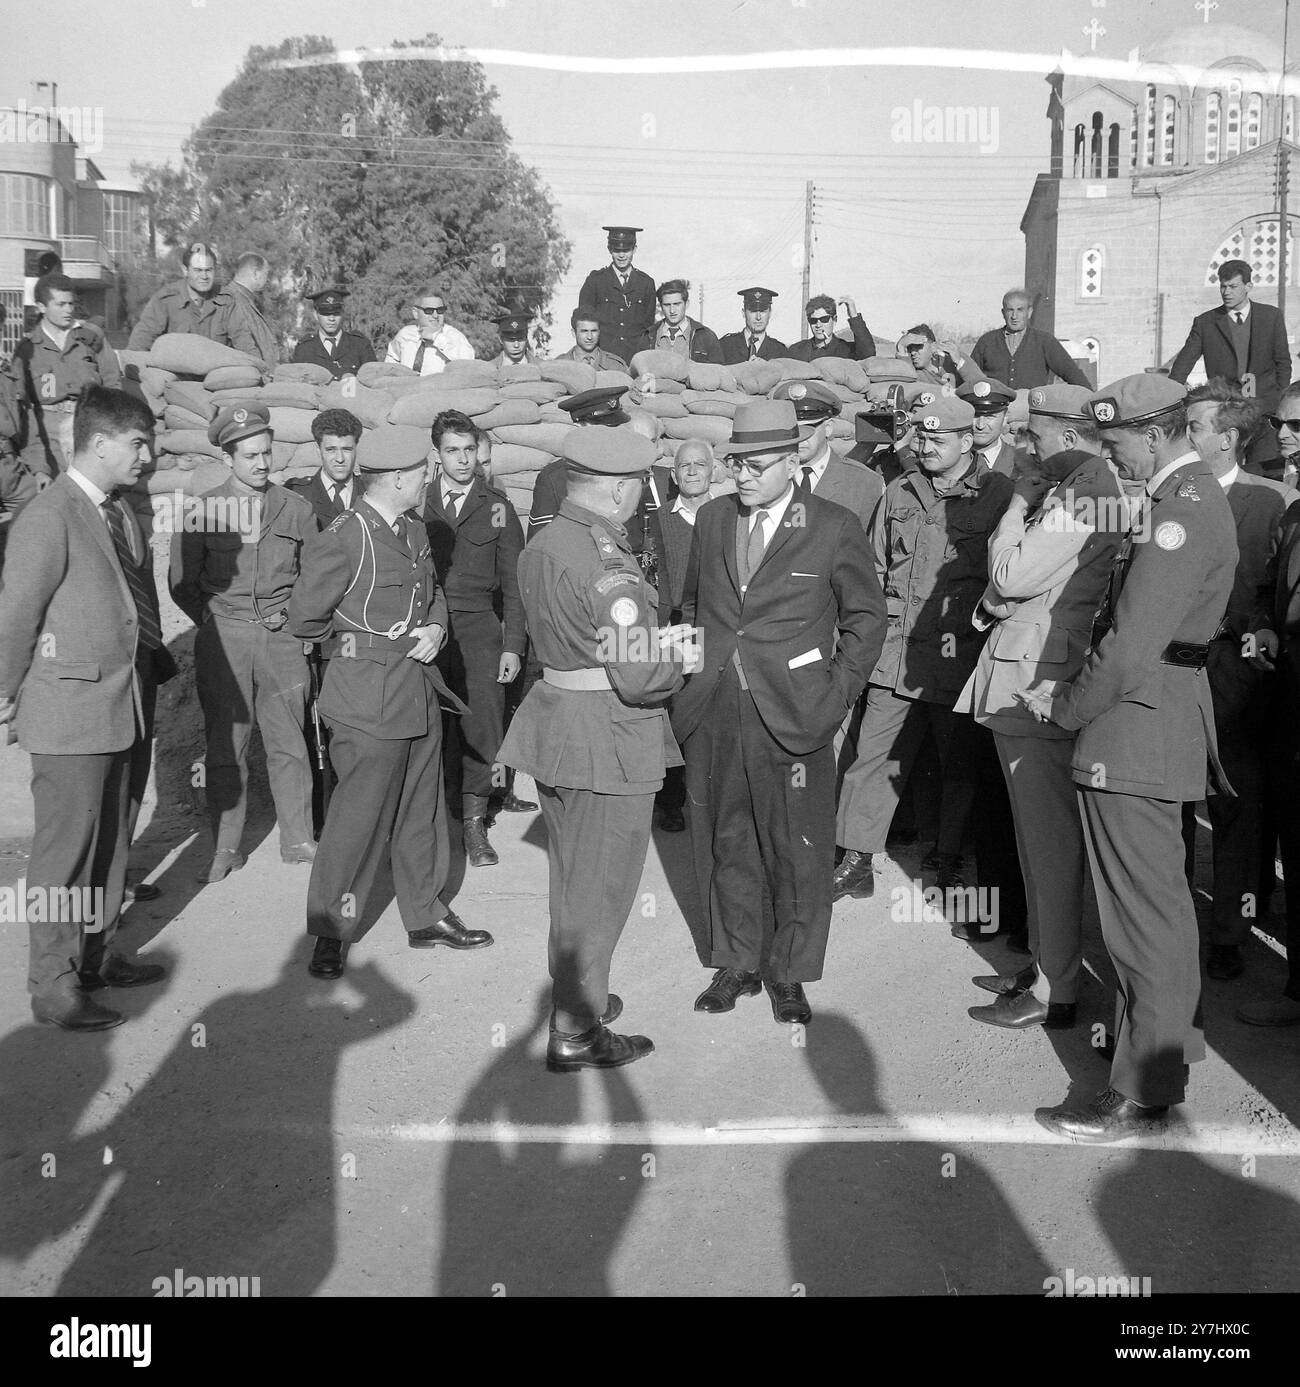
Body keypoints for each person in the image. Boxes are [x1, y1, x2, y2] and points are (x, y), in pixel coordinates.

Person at [1029, 375, 1237, 1143]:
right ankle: (1168, 1055)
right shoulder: (1178, 500)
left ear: (1155, 435)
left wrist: (1066, 705)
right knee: (1163, 908)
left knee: (1139, 917)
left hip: (1134, 729)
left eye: (1114, 441)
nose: (1107, 452)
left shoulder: (1179, 511)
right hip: (1153, 723)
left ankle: (1145, 1090)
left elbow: (1128, 647)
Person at [674, 400, 886, 1025]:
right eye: (737, 463)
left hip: (797, 712)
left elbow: (866, 619)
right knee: (726, 838)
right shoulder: (712, 520)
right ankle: (736, 959)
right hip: (716, 709)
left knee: (797, 848)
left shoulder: (832, 525)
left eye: (757, 466)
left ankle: (789, 973)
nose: (741, 476)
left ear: (792, 461)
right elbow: (691, 607)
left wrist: (835, 692)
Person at [497, 426, 687, 1069]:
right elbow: (636, 673)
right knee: (600, 889)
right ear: (619, 490)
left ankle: (577, 997)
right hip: (606, 734)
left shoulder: (546, 541)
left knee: (572, 881)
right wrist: (679, 661)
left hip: (558, 727)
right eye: (641, 486)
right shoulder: (608, 562)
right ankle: (577, 1029)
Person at [289, 423, 492, 981]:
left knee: (422, 811)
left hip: (418, 691)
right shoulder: (344, 536)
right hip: (366, 702)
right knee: (356, 820)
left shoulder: (414, 531)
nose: (429, 476)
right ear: (399, 478)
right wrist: (361, 645)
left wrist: (434, 627)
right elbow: (305, 616)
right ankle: (330, 929)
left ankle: (425, 913)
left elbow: (435, 595)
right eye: (423, 470)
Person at [956, 384, 1125, 1030]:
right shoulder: (1084, 483)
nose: (1028, 446)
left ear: (1071, 433)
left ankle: (1056, 986)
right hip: (1028, 674)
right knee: (1036, 840)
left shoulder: (1087, 490)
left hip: (1038, 682)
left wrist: (1018, 503)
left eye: (1036, 435)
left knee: (1049, 843)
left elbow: (1011, 577)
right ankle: (1044, 965)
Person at [0, 386, 167, 1031]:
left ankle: (95, 957)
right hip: (69, 712)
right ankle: (52, 984)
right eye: (137, 444)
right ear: (99, 443)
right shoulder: (50, 515)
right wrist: (5, 692)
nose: (147, 457)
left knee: (108, 852)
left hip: (119, 706)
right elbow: (16, 614)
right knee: (63, 856)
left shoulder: (117, 511)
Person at [834, 394, 1014, 900]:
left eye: (938, 439)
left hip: (961, 652)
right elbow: (873, 566)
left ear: (966, 439)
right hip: (897, 651)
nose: (926, 447)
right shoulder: (900, 490)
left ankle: (950, 855)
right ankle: (856, 859)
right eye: (921, 437)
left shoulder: (1000, 494)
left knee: (958, 762)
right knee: (873, 755)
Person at [169, 404, 317, 883]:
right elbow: (182, 583)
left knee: (289, 742)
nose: (261, 464)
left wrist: (293, 621)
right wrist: (215, 622)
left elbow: (312, 578)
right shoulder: (202, 511)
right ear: (228, 458)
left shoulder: (297, 509)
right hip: (225, 640)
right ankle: (226, 847)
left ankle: (297, 839)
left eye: (266, 453)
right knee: (224, 748)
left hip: (282, 637)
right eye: (250, 455)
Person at [1182, 381, 1296, 982]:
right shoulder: (1166, 495)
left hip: (1238, 679)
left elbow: (1274, 594)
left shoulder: (1270, 501)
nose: (1185, 435)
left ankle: (1229, 930)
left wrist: (1238, 627)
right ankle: (1169, 929)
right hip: (1170, 675)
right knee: (1171, 804)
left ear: (1227, 439)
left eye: (1195, 426)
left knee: (1235, 807)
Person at [423, 409, 525, 868]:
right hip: (426, 631)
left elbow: (515, 585)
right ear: (437, 454)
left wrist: (512, 645)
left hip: (480, 629)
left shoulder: (497, 506)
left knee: (481, 725)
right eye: (452, 451)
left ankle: (473, 822)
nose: (462, 460)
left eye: (468, 450)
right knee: (426, 725)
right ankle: (429, 821)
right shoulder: (418, 503)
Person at [1243, 484, 1300, 1026]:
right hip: (1289, 696)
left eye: (1296, 428)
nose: (1284, 438)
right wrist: (1262, 625)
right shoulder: (1294, 512)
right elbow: (1267, 588)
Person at [528, 387, 664, 595]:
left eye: (616, 427)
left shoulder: (631, 470)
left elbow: (645, 534)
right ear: (580, 427)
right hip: (581, 588)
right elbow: (543, 551)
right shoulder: (555, 478)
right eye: (603, 428)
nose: (612, 435)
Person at [1169, 259, 1291, 476]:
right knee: (1221, 470)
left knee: (1259, 472)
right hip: (1224, 412)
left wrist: (1279, 397)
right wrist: (1171, 395)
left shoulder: (1271, 317)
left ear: (1248, 287)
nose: (1226, 292)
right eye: (1223, 286)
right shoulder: (1206, 322)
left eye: (1233, 286)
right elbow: (1184, 363)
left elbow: (1283, 362)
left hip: (1264, 412)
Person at [9, 273, 121, 478]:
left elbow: (113, 385)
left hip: (88, 427)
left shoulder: (90, 338)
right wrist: (37, 462)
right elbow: (21, 409)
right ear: (42, 307)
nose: (69, 310)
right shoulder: (27, 350)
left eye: (71, 304)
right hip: (47, 435)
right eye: (60, 304)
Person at [769, 378, 883, 529]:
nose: (799, 437)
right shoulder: (767, 476)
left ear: (828, 428)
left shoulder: (865, 482)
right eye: (792, 429)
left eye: (808, 428)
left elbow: (871, 548)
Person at [128, 241, 261, 356]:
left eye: (209, 270)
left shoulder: (226, 301)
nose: (204, 276)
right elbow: (140, 342)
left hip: (215, 378)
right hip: (175, 379)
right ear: (185, 270)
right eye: (198, 270)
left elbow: (244, 343)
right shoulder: (166, 300)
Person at [969, 289, 1091, 391]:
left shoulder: (1045, 341)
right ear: (1003, 313)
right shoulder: (987, 341)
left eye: (1020, 310)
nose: (1014, 316)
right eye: (1010, 310)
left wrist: (1091, 399)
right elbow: (968, 376)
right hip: (995, 412)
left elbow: (1071, 373)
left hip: (1032, 412)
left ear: (1029, 312)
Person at [577, 225, 656, 365]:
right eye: (617, 250)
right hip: (602, 362)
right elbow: (583, 323)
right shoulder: (595, 281)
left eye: (626, 250)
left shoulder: (646, 283)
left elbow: (648, 328)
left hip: (634, 362)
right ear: (609, 249)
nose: (621, 255)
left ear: (634, 249)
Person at [285, 408, 363, 529]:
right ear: (318, 450)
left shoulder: (371, 492)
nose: (340, 459)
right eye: (331, 450)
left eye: (347, 449)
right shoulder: (297, 493)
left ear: (356, 449)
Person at [291, 287, 376, 380]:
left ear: (343, 313)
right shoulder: (304, 349)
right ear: (316, 315)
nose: (331, 319)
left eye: (336, 313)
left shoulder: (360, 345)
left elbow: (373, 381)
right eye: (326, 314)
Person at [954, 378, 1033, 479]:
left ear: (1005, 418)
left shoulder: (1022, 462)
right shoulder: (949, 459)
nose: (980, 425)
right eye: (975, 415)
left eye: (990, 416)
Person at [385, 290, 475, 376]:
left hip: (439, 390)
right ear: (415, 313)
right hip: (405, 389)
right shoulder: (405, 334)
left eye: (440, 310)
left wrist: (436, 338)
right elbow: (390, 363)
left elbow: (470, 363)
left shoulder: (454, 336)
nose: (435, 315)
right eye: (429, 311)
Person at [649, 280, 723, 363]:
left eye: (677, 304)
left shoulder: (706, 336)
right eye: (667, 305)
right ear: (661, 306)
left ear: (686, 304)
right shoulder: (648, 336)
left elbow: (718, 372)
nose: (672, 310)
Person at [227, 252, 279, 367]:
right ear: (256, 274)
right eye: (266, 274)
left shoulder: (245, 300)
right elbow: (243, 344)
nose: (267, 280)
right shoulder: (231, 300)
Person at [786, 294, 875, 362]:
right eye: (813, 320)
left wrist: (854, 316)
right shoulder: (797, 350)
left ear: (835, 319)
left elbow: (868, 353)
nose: (818, 325)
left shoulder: (846, 350)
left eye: (824, 319)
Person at [898, 325, 987, 389]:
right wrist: (901, 347)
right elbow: (903, 383)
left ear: (933, 347)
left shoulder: (953, 358)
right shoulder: (912, 370)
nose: (913, 352)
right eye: (909, 348)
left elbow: (983, 385)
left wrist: (958, 362)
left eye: (918, 347)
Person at [718, 287, 788, 364]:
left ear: (770, 313)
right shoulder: (725, 346)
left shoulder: (780, 351)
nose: (758, 317)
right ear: (743, 313)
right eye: (753, 311)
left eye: (763, 311)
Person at [553, 307, 630, 373]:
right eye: (584, 331)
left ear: (599, 332)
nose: (589, 337)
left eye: (594, 331)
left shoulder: (615, 366)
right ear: (574, 333)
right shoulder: (558, 366)